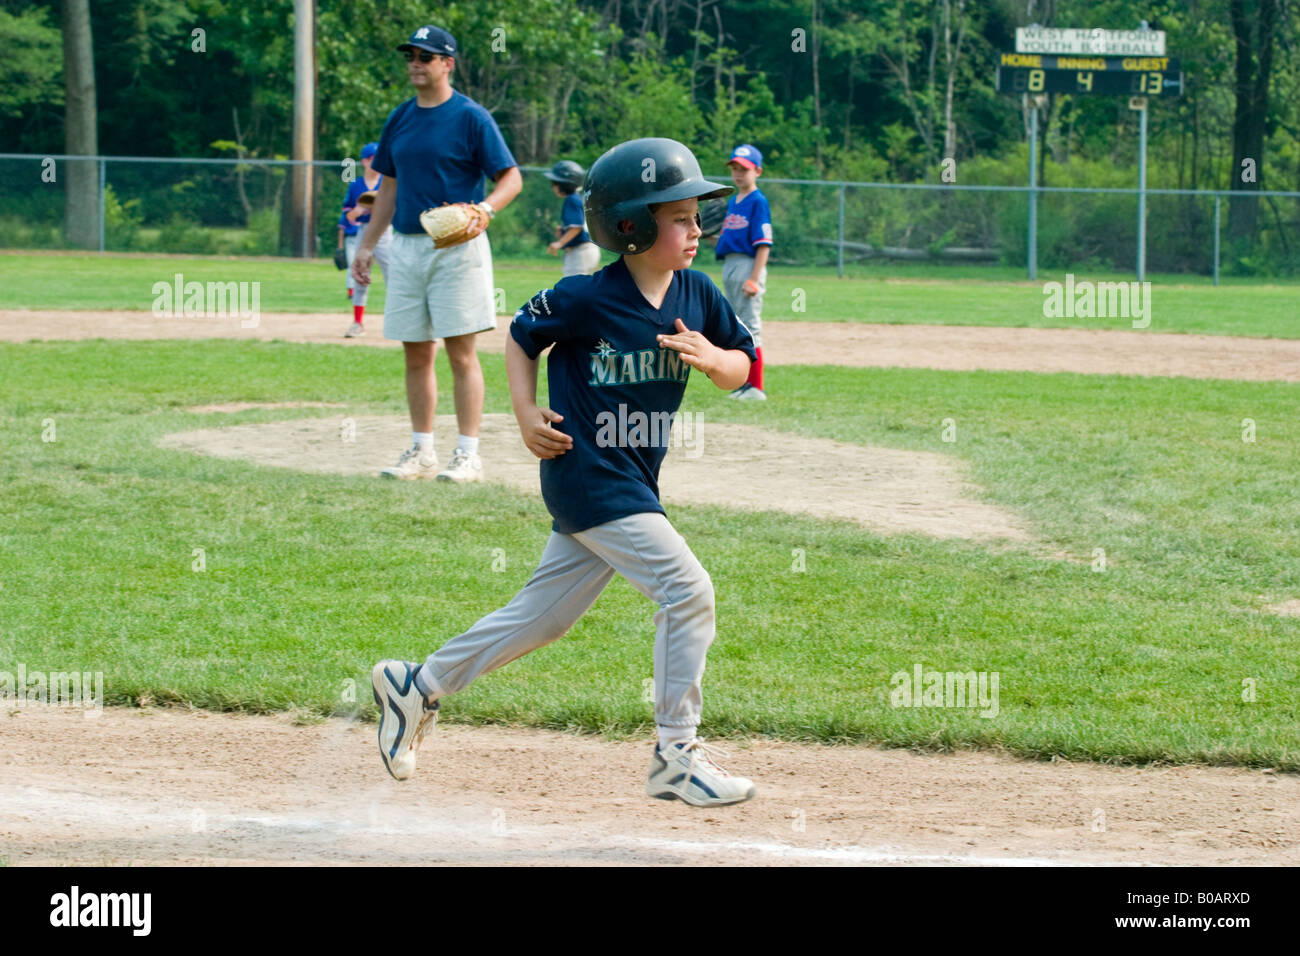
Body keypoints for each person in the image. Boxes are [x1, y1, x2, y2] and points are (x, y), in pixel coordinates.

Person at [370, 138, 760, 807]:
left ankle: (418, 685)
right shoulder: (586, 297)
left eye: (700, 215)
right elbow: (522, 335)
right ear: (631, 225)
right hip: (588, 473)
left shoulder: (697, 294)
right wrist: (523, 412)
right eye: (681, 216)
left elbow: (744, 367)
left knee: (543, 619)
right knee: (688, 590)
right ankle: (676, 753)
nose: (698, 229)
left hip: (633, 479)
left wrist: (709, 357)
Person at [351, 25, 522, 481]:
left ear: (448, 63)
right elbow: (388, 186)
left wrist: (484, 210)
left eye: (425, 57)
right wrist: (368, 245)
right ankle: (421, 450)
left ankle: (468, 454)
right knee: (415, 353)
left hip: (457, 247)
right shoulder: (401, 117)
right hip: (406, 245)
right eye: (411, 55)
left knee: (461, 353)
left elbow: (511, 178)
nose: (415, 63)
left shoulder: (471, 117)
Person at [714, 144, 772, 400]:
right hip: (730, 264)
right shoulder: (733, 201)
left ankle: (756, 387)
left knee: (750, 327)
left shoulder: (758, 201)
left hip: (749, 265)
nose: (739, 174)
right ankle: (742, 384)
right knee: (737, 326)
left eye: (745, 169)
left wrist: (754, 279)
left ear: (757, 171)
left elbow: (764, 244)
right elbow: (730, 238)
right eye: (735, 168)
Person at [338, 142, 392, 338]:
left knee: (394, 277)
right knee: (360, 276)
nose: (375, 163)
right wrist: (359, 210)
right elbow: (347, 217)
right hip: (363, 231)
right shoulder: (355, 186)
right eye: (372, 159)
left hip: (386, 232)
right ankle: (357, 323)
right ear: (364, 161)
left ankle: (398, 323)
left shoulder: (388, 183)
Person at [543, 160, 601, 276]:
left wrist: (559, 243)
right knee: (578, 290)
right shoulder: (577, 199)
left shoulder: (572, 199)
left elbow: (576, 227)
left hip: (580, 251)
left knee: (573, 290)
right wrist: (563, 232)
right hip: (585, 250)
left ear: (565, 184)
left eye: (555, 183)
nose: (553, 187)